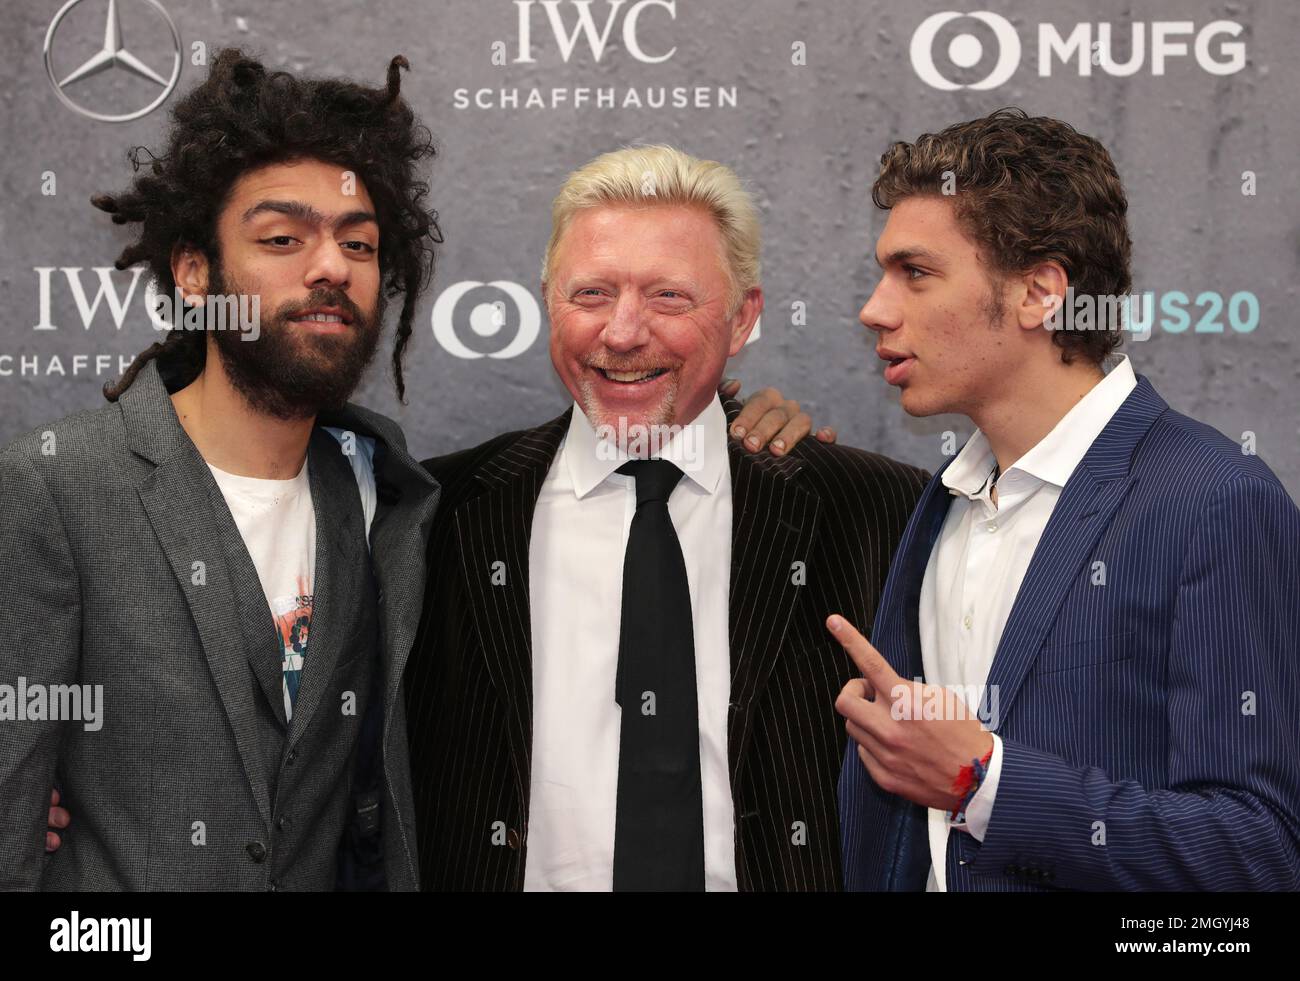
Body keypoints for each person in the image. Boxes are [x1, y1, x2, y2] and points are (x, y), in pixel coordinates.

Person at [3, 51, 810, 891]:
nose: (329, 266)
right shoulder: (54, 489)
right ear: (195, 272)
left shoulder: (394, 495)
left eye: (357, 243)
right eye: (282, 239)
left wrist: (718, 419)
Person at [406, 145, 929, 891]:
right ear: (547, 300)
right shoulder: (437, 515)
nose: (621, 332)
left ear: (743, 315)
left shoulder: (878, 511)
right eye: (590, 294)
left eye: (667, 298)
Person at [834, 108, 1300, 891]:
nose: (875, 309)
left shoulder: (1216, 501)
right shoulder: (941, 503)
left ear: (1040, 292)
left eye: (916, 272)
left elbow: (1266, 850)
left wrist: (985, 780)